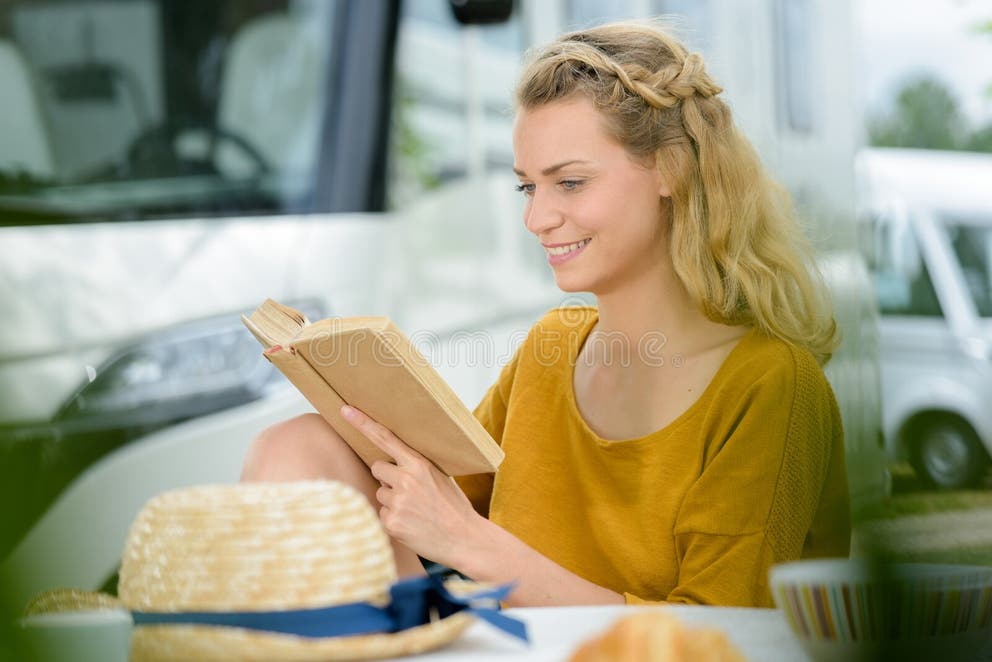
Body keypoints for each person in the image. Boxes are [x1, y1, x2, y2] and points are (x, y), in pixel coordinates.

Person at [240, 20, 850, 608]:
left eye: (571, 183)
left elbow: (716, 641)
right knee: (294, 446)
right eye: (529, 187)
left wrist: (472, 544)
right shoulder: (550, 349)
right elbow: (435, 500)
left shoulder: (773, 387)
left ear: (672, 169)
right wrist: (333, 387)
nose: (537, 219)